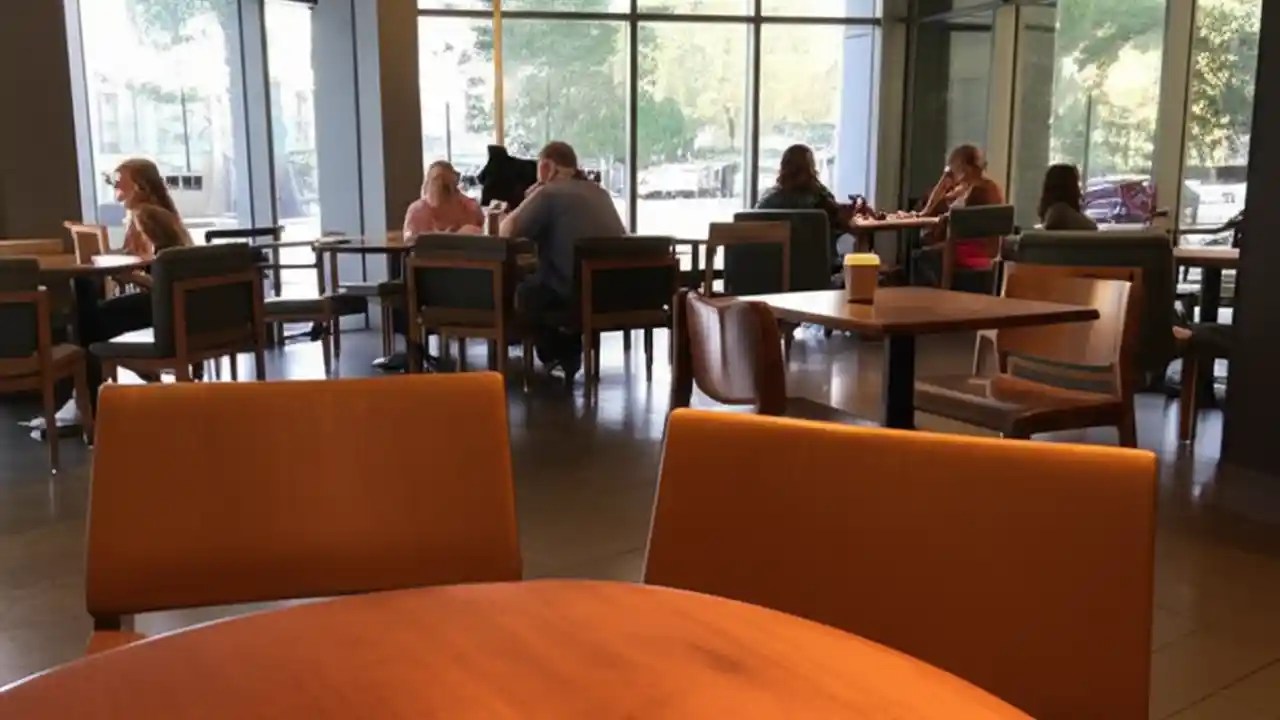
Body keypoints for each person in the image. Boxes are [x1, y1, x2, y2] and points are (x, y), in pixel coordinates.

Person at [500, 141, 626, 379]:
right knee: (553, 283)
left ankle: (554, 355)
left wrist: (537, 189)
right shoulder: (600, 192)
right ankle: (567, 348)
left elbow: (507, 230)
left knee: (524, 292)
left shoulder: (549, 193)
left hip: (572, 295)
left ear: (547, 166)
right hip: (612, 292)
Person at [914, 144, 1004, 286]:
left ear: (964, 167)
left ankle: (937, 295)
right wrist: (943, 181)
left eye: (952, 166)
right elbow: (935, 204)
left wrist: (936, 213)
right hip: (976, 249)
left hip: (972, 250)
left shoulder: (980, 191)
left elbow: (958, 221)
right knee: (929, 252)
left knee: (923, 256)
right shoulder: (973, 187)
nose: (951, 171)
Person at [403, 160, 484, 239]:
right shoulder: (418, 210)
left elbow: (483, 236)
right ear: (427, 185)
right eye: (436, 180)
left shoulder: (470, 207)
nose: (440, 184)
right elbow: (410, 240)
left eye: (446, 185)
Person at [1038, 163, 1097, 231]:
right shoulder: (1061, 212)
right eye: (1076, 182)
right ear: (1070, 186)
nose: (1079, 188)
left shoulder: (1052, 212)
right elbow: (1091, 227)